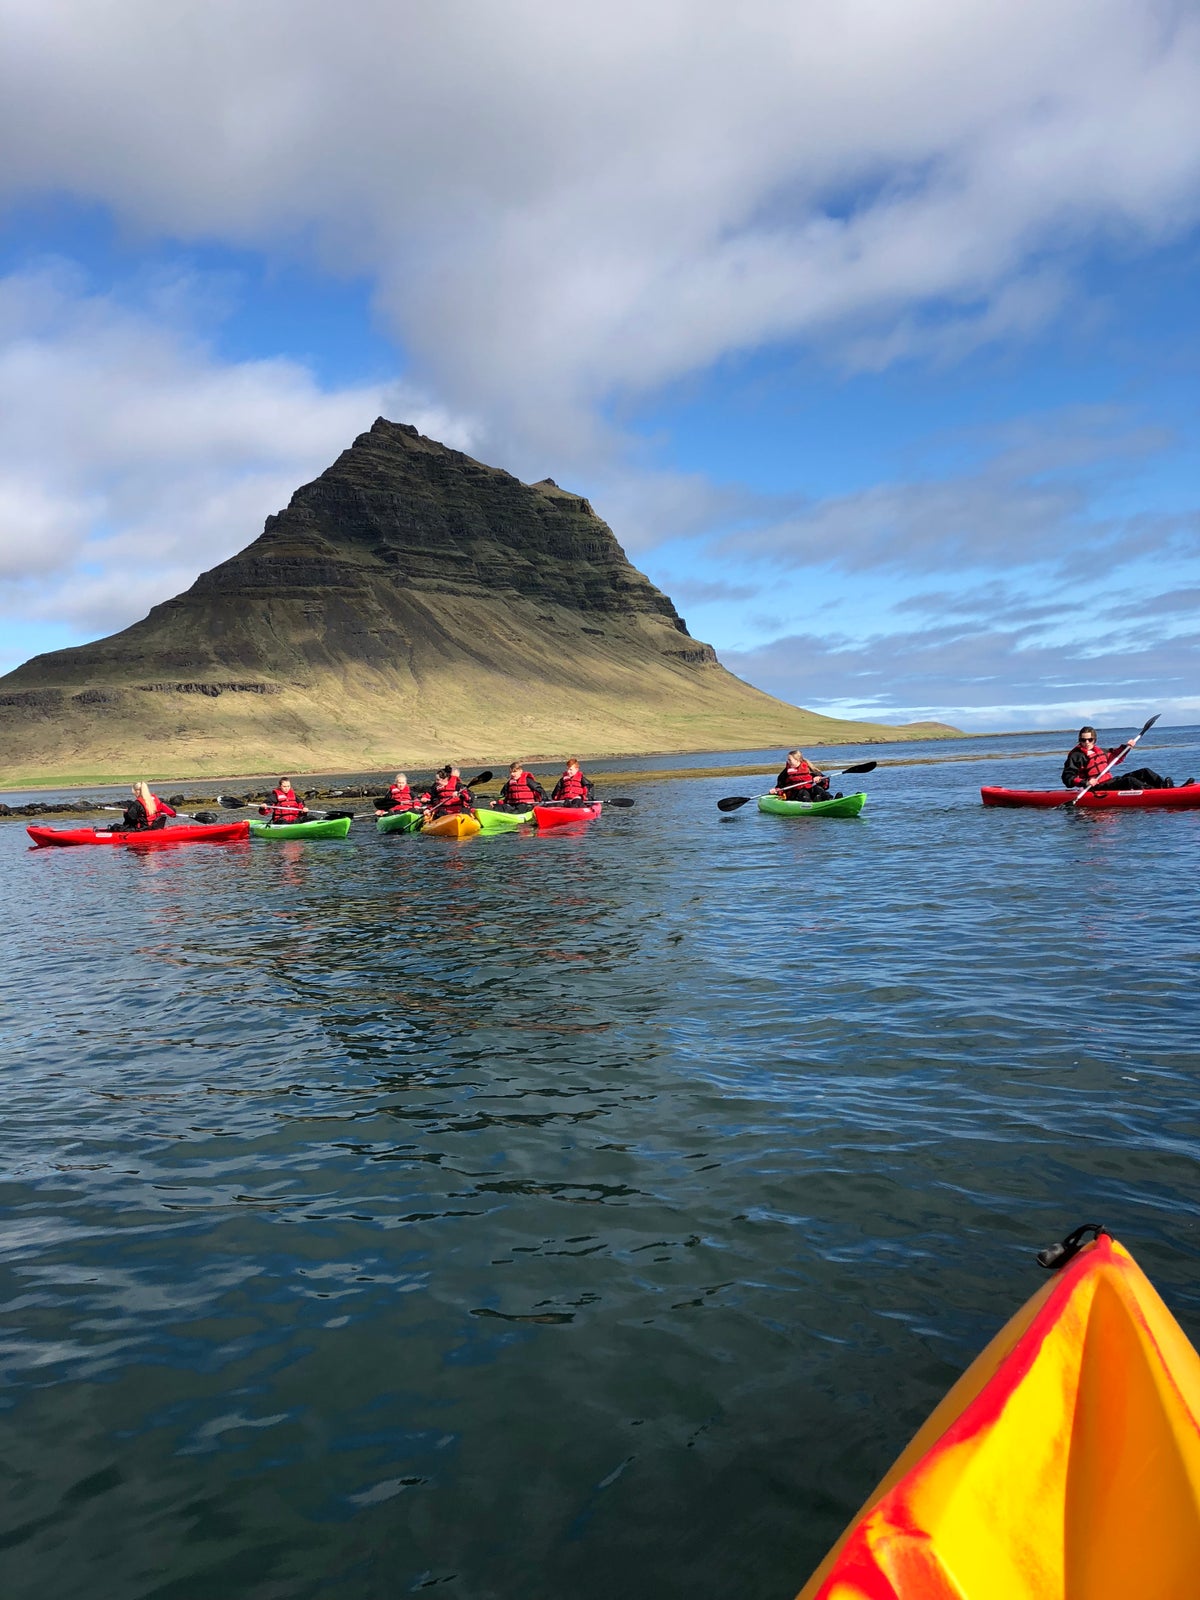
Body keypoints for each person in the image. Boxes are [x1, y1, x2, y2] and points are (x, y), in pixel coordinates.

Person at [1060, 727, 1184, 792]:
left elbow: (1116, 756)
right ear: (1079, 740)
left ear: (1094, 740)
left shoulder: (1101, 751)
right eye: (1083, 740)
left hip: (1109, 782)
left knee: (1144, 772)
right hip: (1096, 787)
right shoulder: (1076, 756)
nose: (1086, 742)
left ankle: (1165, 786)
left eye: (1089, 739)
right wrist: (1085, 783)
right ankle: (1154, 793)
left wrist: (1127, 747)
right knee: (1129, 781)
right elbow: (1067, 778)